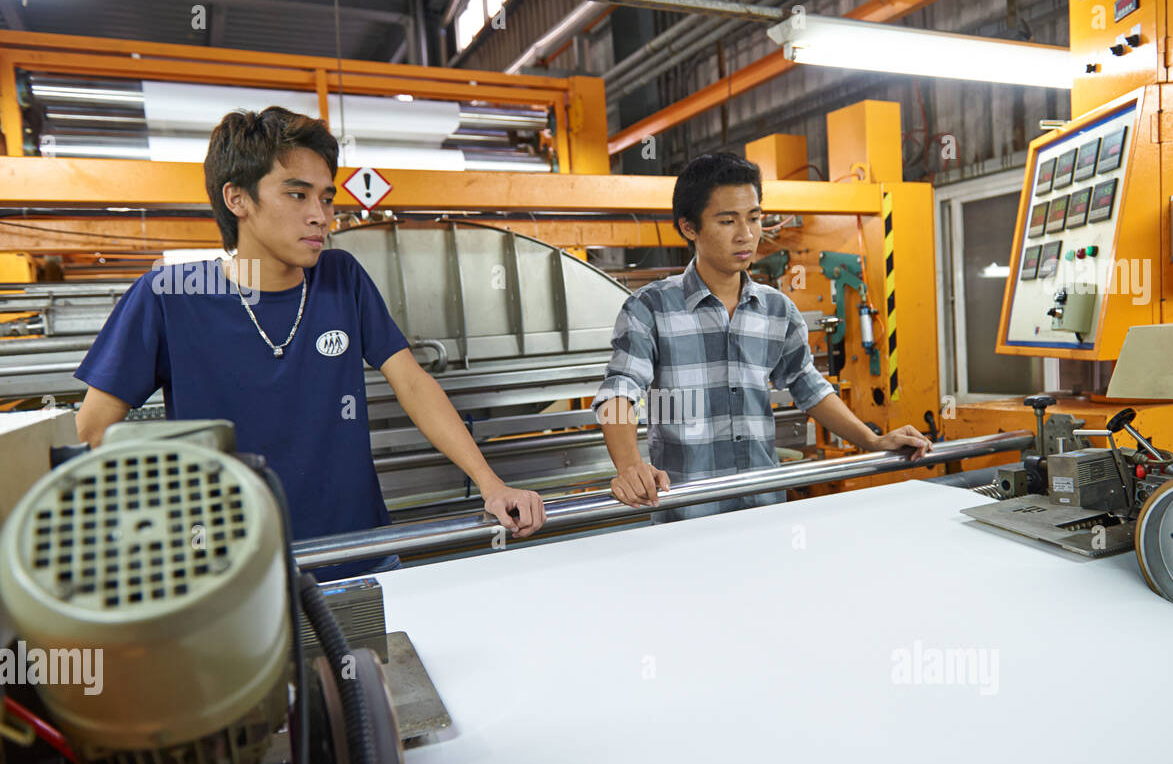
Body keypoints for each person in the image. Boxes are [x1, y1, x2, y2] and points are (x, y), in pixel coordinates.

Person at [74, 106, 545, 581]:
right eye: (297, 195)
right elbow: (94, 430)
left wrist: (491, 484)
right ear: (237, 198)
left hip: (361, 550)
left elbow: (413, 383)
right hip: (230, 575)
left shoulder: (342, 280)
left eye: (325, 198)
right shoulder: (168, 296)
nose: (320, 217)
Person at [593, 151, 932, 520]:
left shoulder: (776, 309)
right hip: (687, 513)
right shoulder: (650, 308)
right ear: (689, 227)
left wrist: (873, 440)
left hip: (763, 509)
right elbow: (619, 391)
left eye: (754, 218)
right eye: (727, 221)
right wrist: (630, 465)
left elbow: (808, 385)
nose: (747, 235)